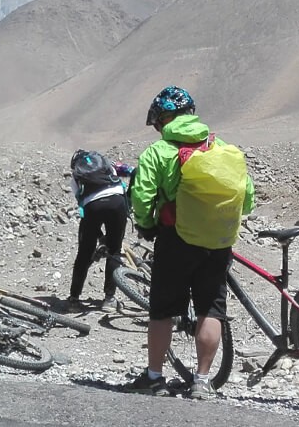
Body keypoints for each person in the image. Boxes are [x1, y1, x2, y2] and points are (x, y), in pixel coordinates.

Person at [125, 86, 254, 399]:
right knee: (211, 308)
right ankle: (202, 380)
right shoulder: (219, 146)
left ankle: (154, 378)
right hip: (217, 241)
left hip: (176, 238)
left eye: (158, 123)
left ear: (165, 120)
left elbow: (141, 197)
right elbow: (247, 197)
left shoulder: (160, 151)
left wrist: (146, 224)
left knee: (163, 311)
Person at [66, 149, 128, 310]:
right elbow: (125, 176)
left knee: (84, 253)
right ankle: (109, 299)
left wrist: (98, 235)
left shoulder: (76, 175)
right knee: (114, 252)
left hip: (92, 206)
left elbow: (81, 202)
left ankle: (74, 300)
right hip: (117, 201)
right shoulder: (106, 164)